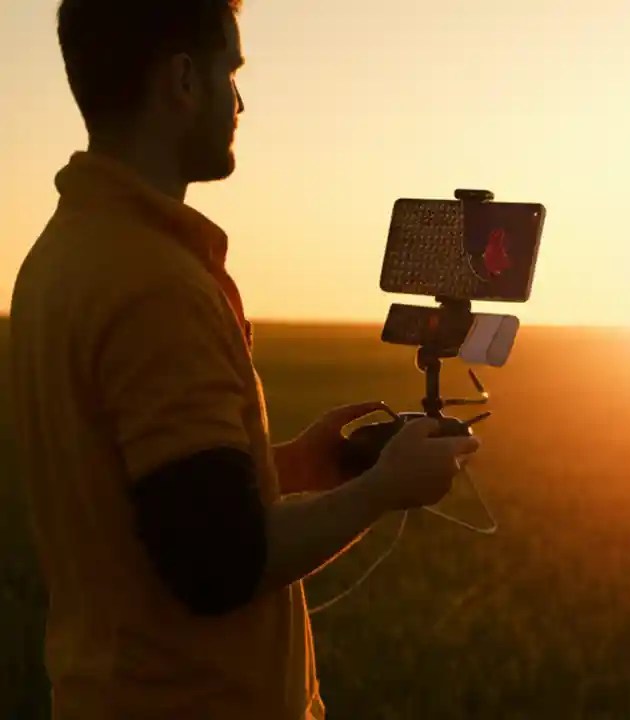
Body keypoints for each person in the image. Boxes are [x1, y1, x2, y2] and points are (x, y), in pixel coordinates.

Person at [8, 1, 480, 718]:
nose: (239, 101)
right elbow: (220, 564)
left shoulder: (60, 256)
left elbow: (151, 505)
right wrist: (384, 488)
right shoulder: (152, 284)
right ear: (183, 81)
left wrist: (291, 467)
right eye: (231, 73)